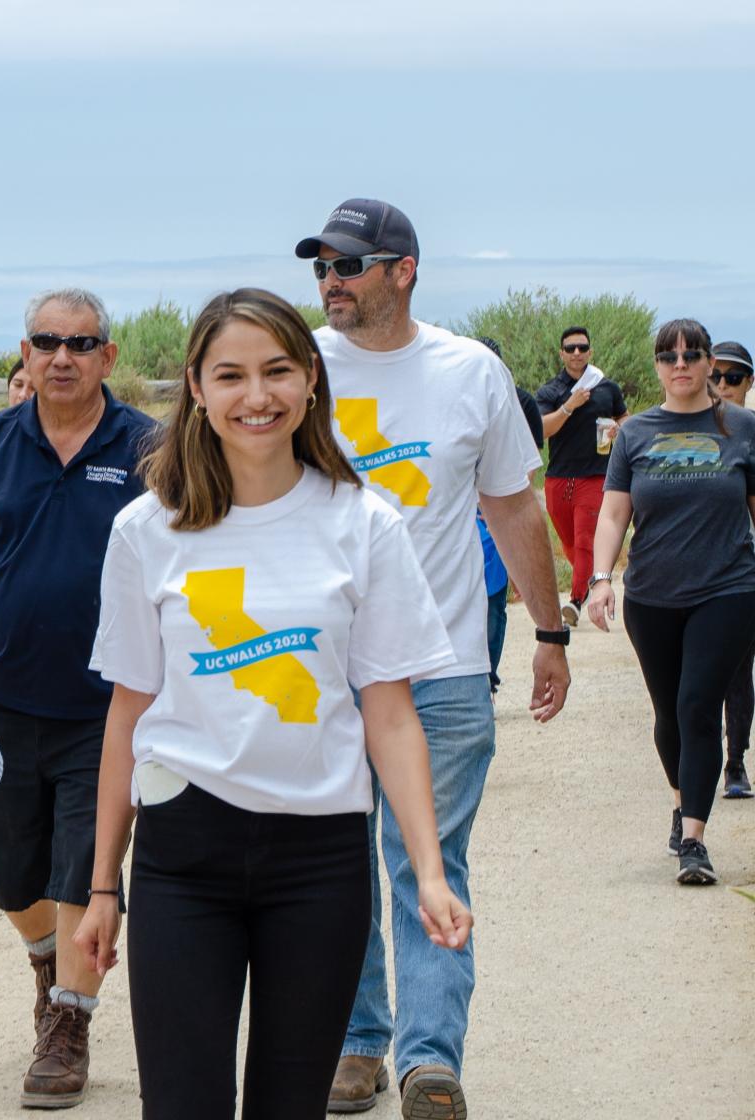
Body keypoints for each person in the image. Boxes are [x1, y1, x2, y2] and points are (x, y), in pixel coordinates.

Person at [72, 287, 471, 1119]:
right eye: (232, 375)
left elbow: (390, 714)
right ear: (197, 388)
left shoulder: (365, 524)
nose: (257, 397)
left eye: (277, 371)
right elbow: (127, 714)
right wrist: (103, 885)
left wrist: (430, 873)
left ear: (312, 380)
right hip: (184, 855)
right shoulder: (148, 531)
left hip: (320, 861)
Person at [293, 199, 570, 1118]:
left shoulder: (469, 373)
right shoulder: (297, 373)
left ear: (402, 269)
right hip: (317, 670)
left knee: (426, 860)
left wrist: (550, 631)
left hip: (443, 667)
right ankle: (358, 1040)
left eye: (349, 264)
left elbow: (514, 508)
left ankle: (428, 1059)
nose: (330, 280)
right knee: (337, 862)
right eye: (321, 265)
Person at [0, 287, 157, 1107]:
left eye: (80, 344)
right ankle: (48, 963)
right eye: (46, 342)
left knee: (86, 865)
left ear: (108, 357)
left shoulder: (149, 447)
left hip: (110, 707)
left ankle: (69, 1022)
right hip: (1, 701)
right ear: (26, 354)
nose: (62, 357)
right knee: (11, 875)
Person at [586, 320, 755, 883]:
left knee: (696, 705)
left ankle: (694, 841)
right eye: (668, 356)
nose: (680, 364)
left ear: (710, 364)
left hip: (728, 589)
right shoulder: (634, 435)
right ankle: (682, 800)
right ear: (657, 367)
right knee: (669, 716)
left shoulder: (744, 429)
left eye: (691, 355)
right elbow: (614, 513)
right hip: (653, 595)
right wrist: (600, 577)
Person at [533, 326, 630, 627]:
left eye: (582, 347)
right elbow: (542, 429)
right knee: (569, 543)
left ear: (590, 351)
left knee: (586, 539)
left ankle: (574, 601)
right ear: (561, 353)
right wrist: (568, 407)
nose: (577, 353)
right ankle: (594, 581)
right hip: (558, 478)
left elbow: (623, 419)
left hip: (596, 476)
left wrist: (619, 430)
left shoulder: (607, 388)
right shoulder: (550, 391)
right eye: (571, 348)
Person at [473, 337, 545, 695]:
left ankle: (488, 676)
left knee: (493, 600)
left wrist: (494, 501)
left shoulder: (520, 401)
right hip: (464, 517)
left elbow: (527, 463)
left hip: (494, 514)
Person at [710, 340, 755, 798]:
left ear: (749, 382)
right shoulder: (687, 431)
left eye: (733, 377)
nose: (723, 386)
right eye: (716, 377)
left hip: (746, 570)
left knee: (741, 671)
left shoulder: (752, 432)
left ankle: (736, 761)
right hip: (705, 571)